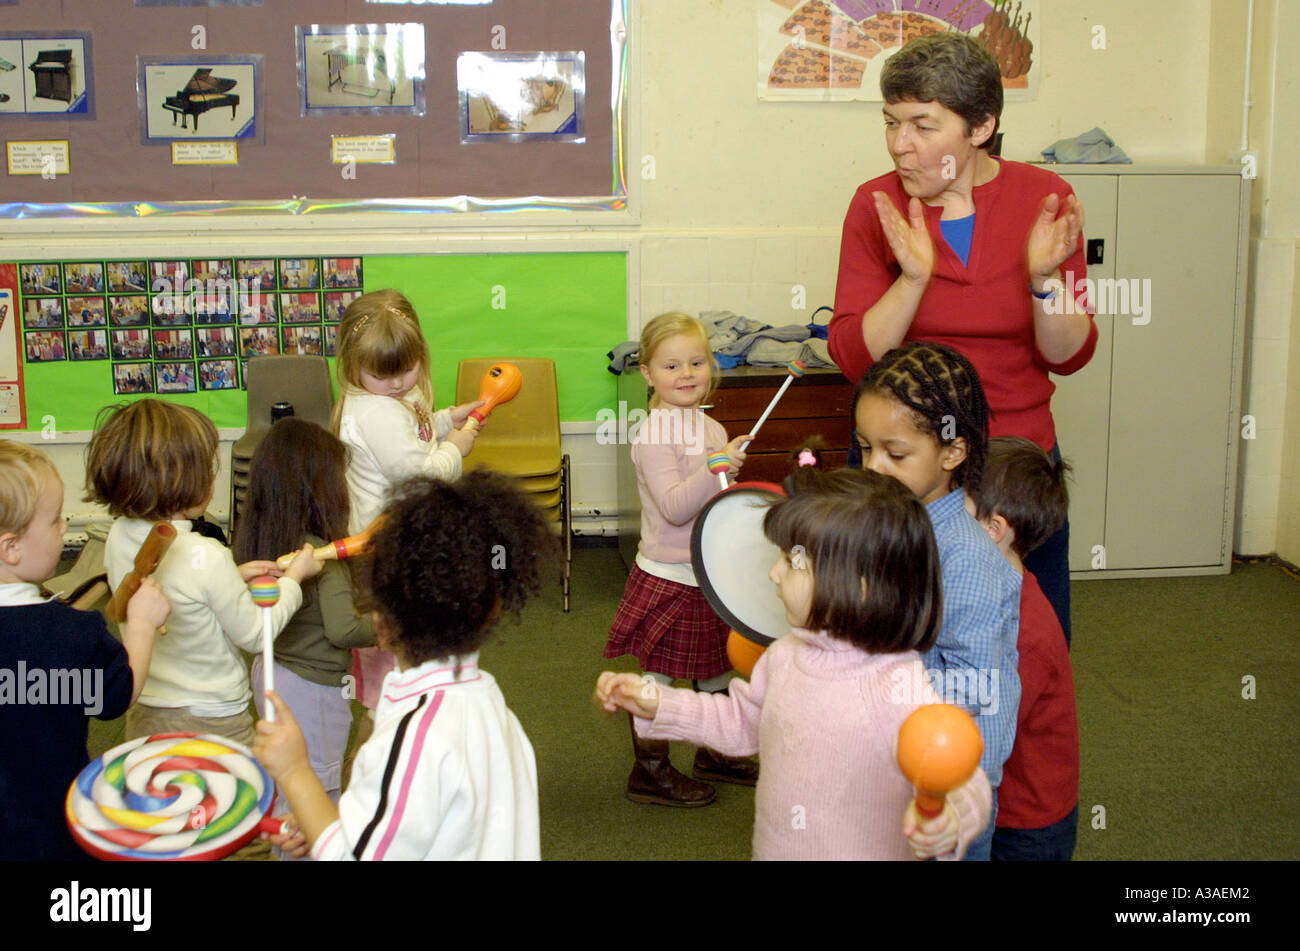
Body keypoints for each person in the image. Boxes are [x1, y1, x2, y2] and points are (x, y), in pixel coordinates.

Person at [829, 31, 1095, 645]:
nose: (901, 145)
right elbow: (851, 356)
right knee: (885, 640)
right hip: (901, 460)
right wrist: (913, 279)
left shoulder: (1044, 198)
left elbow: (1069, 354)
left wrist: (1043, 278)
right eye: (892, 123)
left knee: (1025, 639)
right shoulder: (876, 204)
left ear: (980, 127)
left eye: (923, 125)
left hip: (1012, 462)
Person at [597, 462, 992, 860]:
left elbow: (960, 773)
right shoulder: (787, 654)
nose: (773, 573)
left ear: (858, 586)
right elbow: (741, 721)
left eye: (791, 561)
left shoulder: (894, 685)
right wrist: (660, 703)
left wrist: (953, 819)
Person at [254, 471, 554, 860]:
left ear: (381, 624)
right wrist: (327, 821)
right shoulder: (495, 711)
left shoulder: (413, 737)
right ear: (491, 612)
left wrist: (296, 772)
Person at [853, 340, 1020, 861]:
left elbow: (970, 689)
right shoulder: (896, 523)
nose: (874, 467)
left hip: (947, 783)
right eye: (864, 447)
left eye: (895, 453)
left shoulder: (966, 561)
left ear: (952, 451)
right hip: (899, 757)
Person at [85, 399, 321, 748]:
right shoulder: (206, 554)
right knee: (224, 800)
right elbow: (256, 634)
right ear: (184, 480)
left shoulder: (119, 534)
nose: (213, 476)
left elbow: (178, 590)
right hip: (212, 716)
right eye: (207, 468)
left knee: (160, 795)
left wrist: (231, 577)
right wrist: (294, 580)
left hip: (148, 708)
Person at [603, 312, 755, 806]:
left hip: (706, 573)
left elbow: (716, 502)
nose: (686, 374)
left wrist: (728, 476)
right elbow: (673, 508)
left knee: (714, 668)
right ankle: (649, 771)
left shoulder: (710, 426)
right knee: (659, 677)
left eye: (696, 362)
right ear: (648, 374)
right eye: (672, 366)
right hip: (668, 575)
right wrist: (716, 468)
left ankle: (716, 750)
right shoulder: (654, 434)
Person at [0, 442, 169, 860]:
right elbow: (118, 694)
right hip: (52, 831)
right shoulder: (70, 635)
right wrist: (143, 624)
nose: (64, 527)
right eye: (56, 519)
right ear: (12, 548)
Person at [330, 289, 482, 715]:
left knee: (407, 635)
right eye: (384, 374)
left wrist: (444, 419)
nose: (398, 383)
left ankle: (406, 707)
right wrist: (456, 447)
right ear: (352, 365)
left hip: (401, 543)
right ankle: (392, 719)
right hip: (389, 549)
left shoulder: (385, 399)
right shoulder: (376, 410)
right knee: (395, 644)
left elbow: (409, 433)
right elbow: (420, 476)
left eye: (407, 368)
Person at [233, 419, 375, 808]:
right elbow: (343, 630)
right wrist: (391, 623)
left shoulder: (265, 537)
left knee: (285, 781)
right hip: (312, 689)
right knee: (314, 790)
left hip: (271, 672)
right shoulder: (318, 555)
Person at [965, 437, 1079, 861]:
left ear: (993, 530)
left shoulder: (1023, 632)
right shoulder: (982, 591)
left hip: (1025, 824)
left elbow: (980, 732)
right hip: (997, 801)